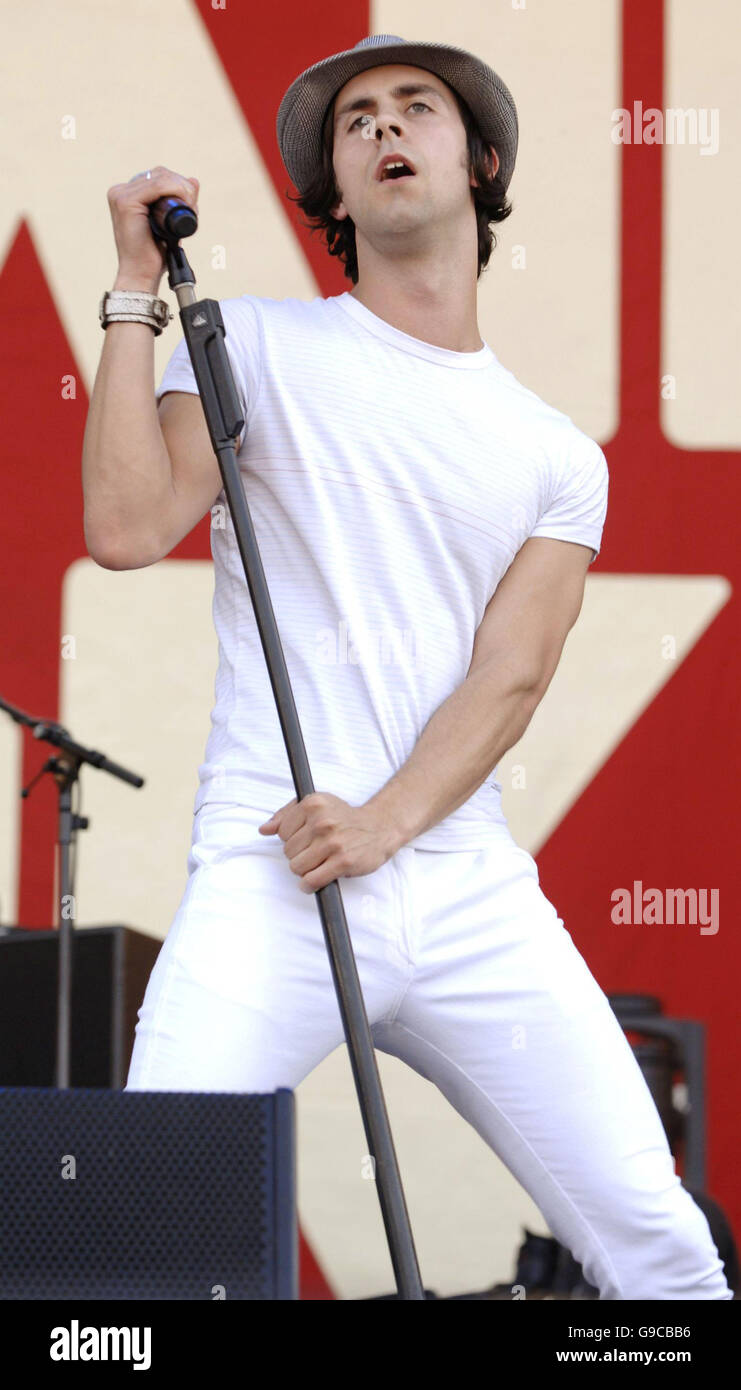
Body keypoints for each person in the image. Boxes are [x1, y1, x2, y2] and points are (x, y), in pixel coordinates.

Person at [82, 34, 732, 1300]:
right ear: (332, 192)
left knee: (662, 1251)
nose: (384, 128)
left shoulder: (555, 454)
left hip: (458, 876)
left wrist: (385, 821)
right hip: (274, 861)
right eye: (355, 121)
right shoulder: (252, 347)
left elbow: (512, 676)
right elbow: (124, 528)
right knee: (139, 1244)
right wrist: (128, 290)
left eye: (414, 108)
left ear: (478, 160)